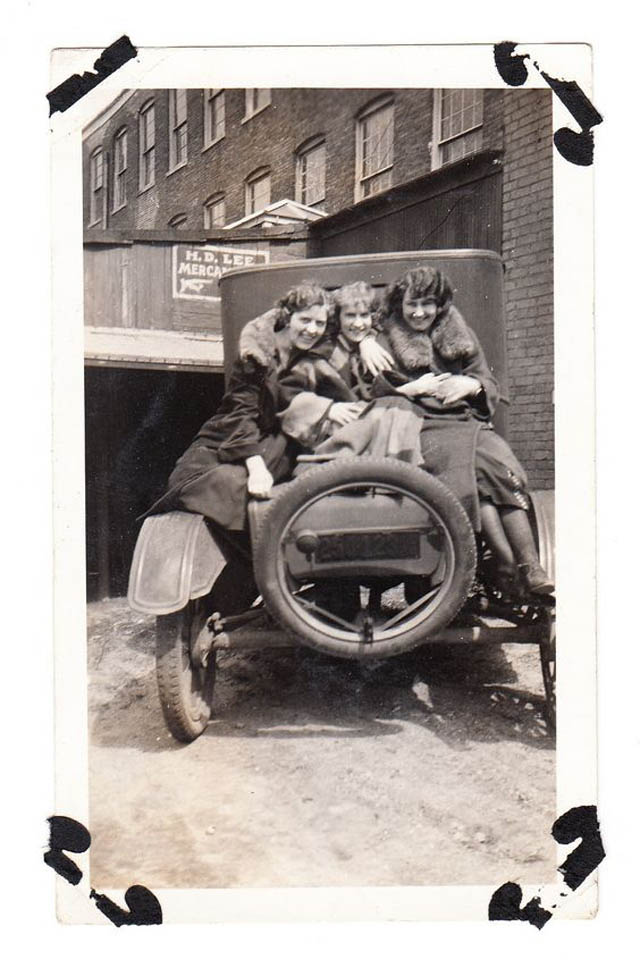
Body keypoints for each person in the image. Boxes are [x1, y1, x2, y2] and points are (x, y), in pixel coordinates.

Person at [367, 265, 553, 596]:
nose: (420, 312)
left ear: (440, 305)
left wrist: (470, 385)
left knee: (500, 468)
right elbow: (375, 391)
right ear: (399, 304)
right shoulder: (383, 339)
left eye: (428, 303)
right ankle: (508, 564)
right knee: (468, 479)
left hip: (468, 421)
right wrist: (406, 382)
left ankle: (530, 566)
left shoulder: (457, 332)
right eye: (412, 304)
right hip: (423, 426)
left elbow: (487, 380)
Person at [145, 281, 335, 531]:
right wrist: (256, 468)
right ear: (288, 318)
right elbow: (240, 413)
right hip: (228, 444)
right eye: (305, 320)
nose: (312, 329)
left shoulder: (308, 356)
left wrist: (365, 343)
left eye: (319, 323)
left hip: (275, 446)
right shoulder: (256, 356)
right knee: (240, 495)